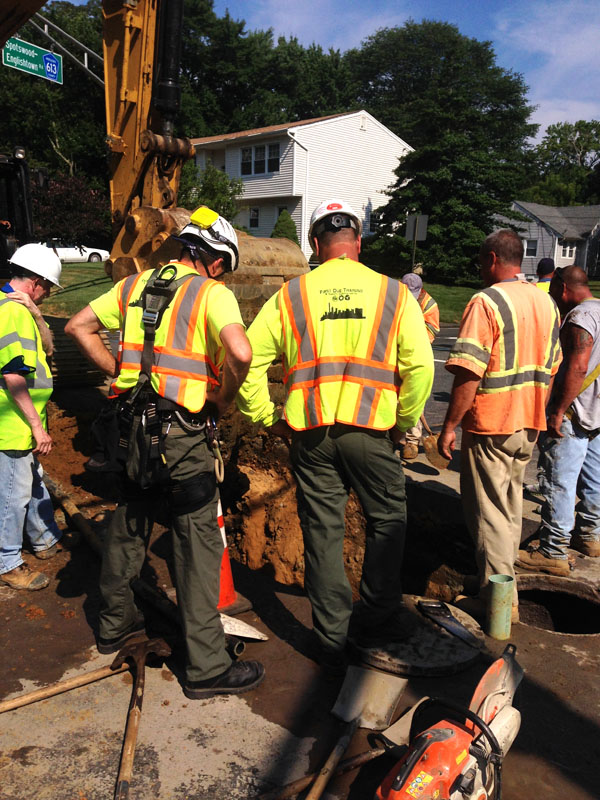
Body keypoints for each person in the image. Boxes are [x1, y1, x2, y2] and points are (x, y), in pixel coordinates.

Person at [65, 206, 265, 699]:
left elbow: (76, 326)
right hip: (181, 435)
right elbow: (240, 352)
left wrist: (117, 371)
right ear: (216, 259)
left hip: (130, 430)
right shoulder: (211, 293)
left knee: (128, 524)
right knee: (196, 546)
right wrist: (224, 396)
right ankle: (206, 666)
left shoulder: (133, 286)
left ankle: (113, 626)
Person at [237, 199, 433, 673]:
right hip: (371, 431)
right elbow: (422, 367)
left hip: (311, 435)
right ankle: (380, 616)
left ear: (315, 246)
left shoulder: (292, 295)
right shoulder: (392, 293)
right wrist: (405, 421)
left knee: (322, 530)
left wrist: (267, 416)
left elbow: (246, 359)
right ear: (358, 244)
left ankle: (330, 638)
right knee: (388, 519)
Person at [438, 230, 562, 621]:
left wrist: (450, 425)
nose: (478, 267)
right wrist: (539, 407)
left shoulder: (486, 301)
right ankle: (506, 592)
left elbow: (469, 373)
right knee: (508, 510)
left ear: (492, 259)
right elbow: (553, 366)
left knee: (489, 516)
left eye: (480, 260)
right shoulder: (545, 303)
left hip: (492, 423)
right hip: (528, 423)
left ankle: (496, 608)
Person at [517, 266, 600, 575]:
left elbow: (578, 367)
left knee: (559, 481)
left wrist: (557, 410)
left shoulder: (580, 318)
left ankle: (552, 550)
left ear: (564, 288)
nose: (552, 297)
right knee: (594, 479)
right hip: (597, 413)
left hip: (573, 412)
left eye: (553, 291)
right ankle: (589, 535)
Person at [0, 243, 63, 591]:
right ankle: (7, 562)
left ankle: (44, 539)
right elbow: (13, 376)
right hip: (11, 423)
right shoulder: (11, 313)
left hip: (21, 421)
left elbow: (48, 348)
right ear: (36, 282)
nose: (48, 295)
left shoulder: (20, 309)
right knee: (13, 494)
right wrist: (38, 428)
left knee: (35, 481)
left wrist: (38, 316)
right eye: (48, 288)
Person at [399, 273, 440, 459]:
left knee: (415, 398)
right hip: (397, 352)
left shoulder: (429, 304)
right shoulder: (397, 298)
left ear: (420, 290)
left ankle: (412, 441)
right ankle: (393, 436)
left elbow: (430, 332)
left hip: (418, 354)